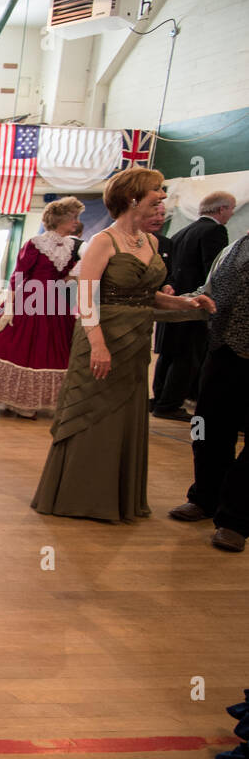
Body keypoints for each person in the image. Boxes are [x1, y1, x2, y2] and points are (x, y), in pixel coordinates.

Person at [31, 167, 216, 522]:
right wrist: (98, 345)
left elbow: (149, 298)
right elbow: (85, 298)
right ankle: (77, 497)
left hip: (135, 343)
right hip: (100, 338)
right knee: (91, 416)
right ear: (133, 198)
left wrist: (188, 303)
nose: (162, 198)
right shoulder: (103, 241)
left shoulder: (152, 243)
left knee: (123, 419)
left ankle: (114, 498)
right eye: (155, 193)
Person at [0, 197, 84, 417]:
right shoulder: (36, 243)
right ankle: (14, 399)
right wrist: (11, 307)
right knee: (19, 348)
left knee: (50, 350)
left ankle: (31, 400)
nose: (76, 222)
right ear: (59, 219)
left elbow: (67, 274)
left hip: (56, 303)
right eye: (73, 217)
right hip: (30, 300)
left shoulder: (73, 246)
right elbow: (19, 274)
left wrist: (70, 278)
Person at [170, 230, 249, 552]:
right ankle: (204, 497)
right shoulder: (235, 247)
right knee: (204, 429)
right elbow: (208, 291)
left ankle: (235, 521)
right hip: (223, 354)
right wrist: (183, 298)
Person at [152, 190, 236, 420]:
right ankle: (169, 404)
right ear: (221, 209)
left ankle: (159, 398)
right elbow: (215, 271)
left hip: (174, 300)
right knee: (188, 355)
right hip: (195, 302)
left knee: (169, 352)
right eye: (231, 209)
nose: (231, 213)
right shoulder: (215, 231)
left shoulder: (182, 232)